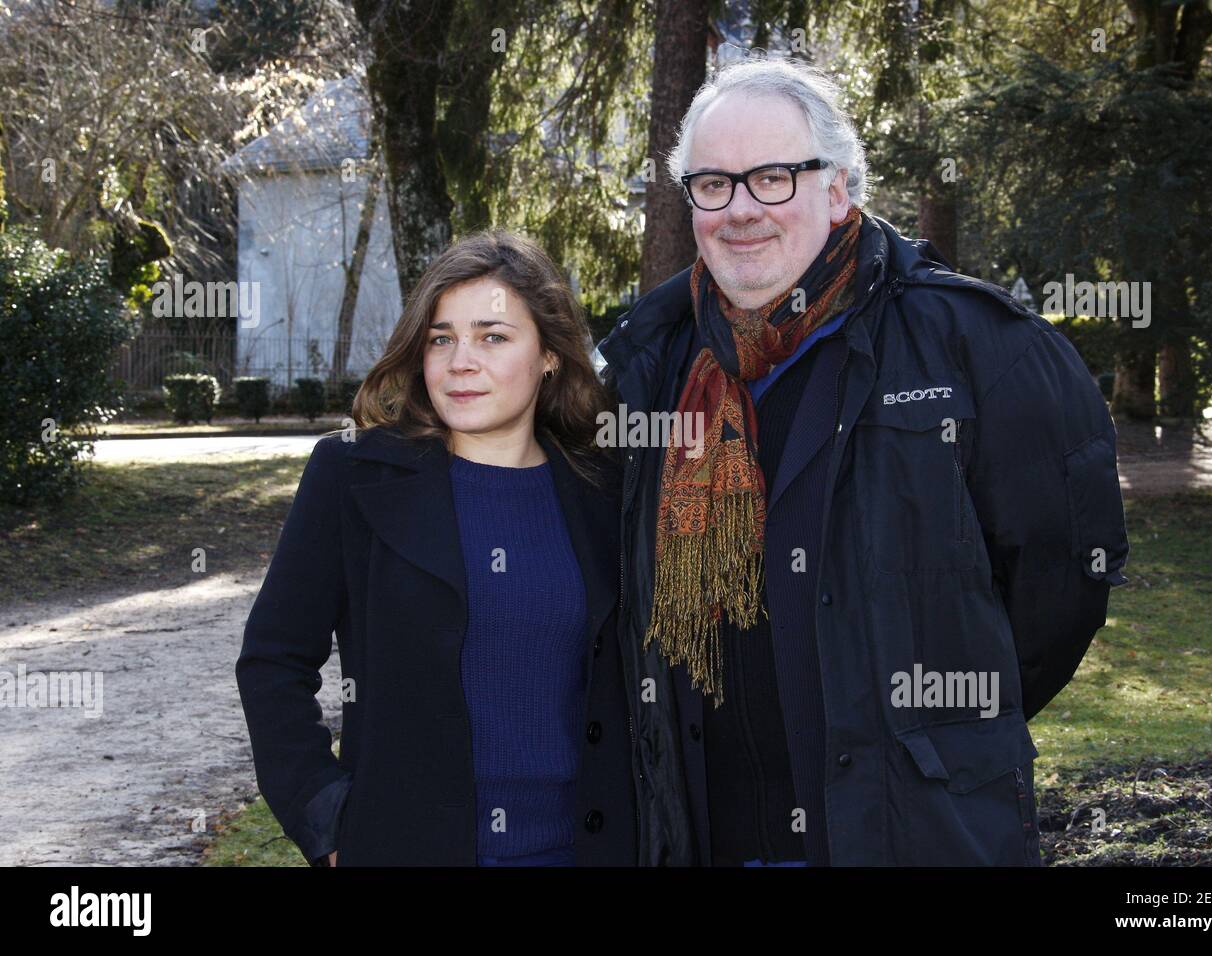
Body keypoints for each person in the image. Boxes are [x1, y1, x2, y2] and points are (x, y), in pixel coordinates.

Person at [598, 53, 1130, 866]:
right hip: (704, 835)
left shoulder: (974, 347)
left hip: (909, 830)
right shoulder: (649, 365)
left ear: (839, 188)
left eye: (772, 177)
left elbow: (1057, 588)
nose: (740, 210)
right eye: (713, 184)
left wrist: (935, 732)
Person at [237, 231, 635, 866]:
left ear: (551, 354)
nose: (460, 363)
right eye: (441, 338)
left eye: (493, 337)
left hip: (581, 851)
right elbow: (273, 661)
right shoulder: (355, 476)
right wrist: (328, 820)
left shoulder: (605, 490)